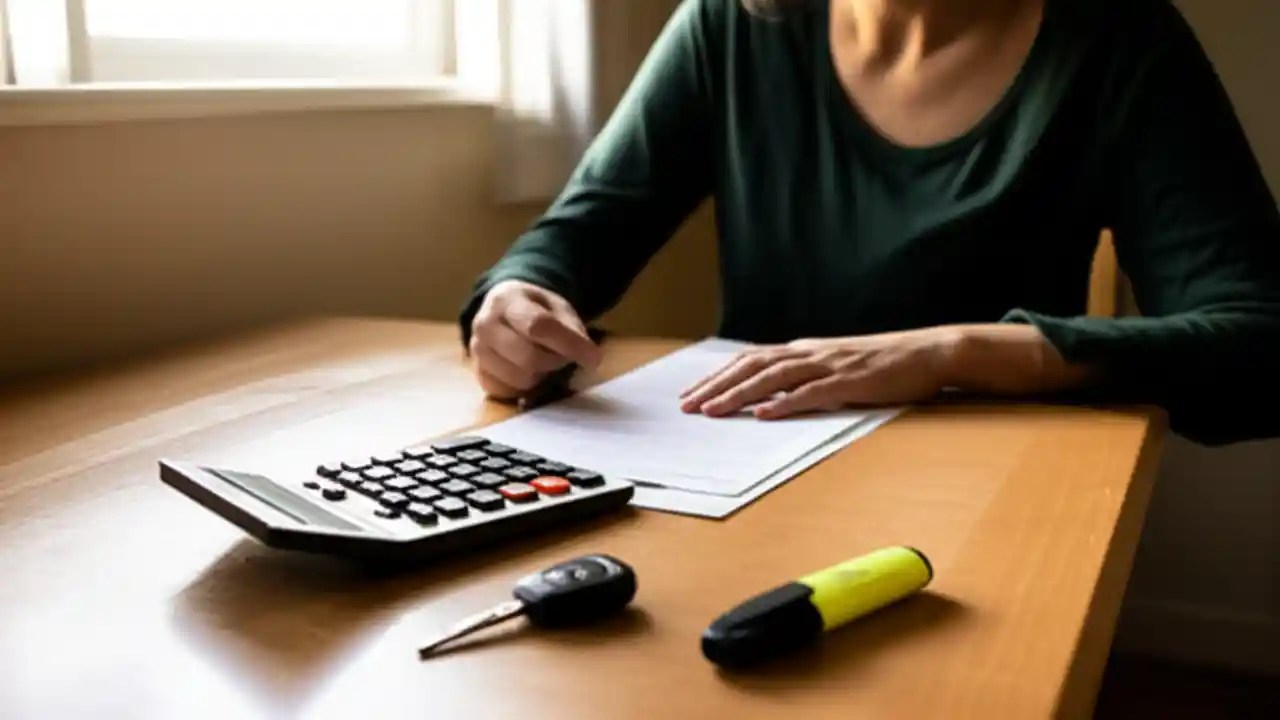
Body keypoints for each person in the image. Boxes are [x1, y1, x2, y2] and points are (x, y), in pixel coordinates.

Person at [460, 0, 1280, 445]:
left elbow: (1260, 341)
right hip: (734, 464)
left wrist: (951, 352)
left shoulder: (1119, 38)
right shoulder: (731, 22)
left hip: (993, 488)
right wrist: (516, 304)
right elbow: (574, 240)